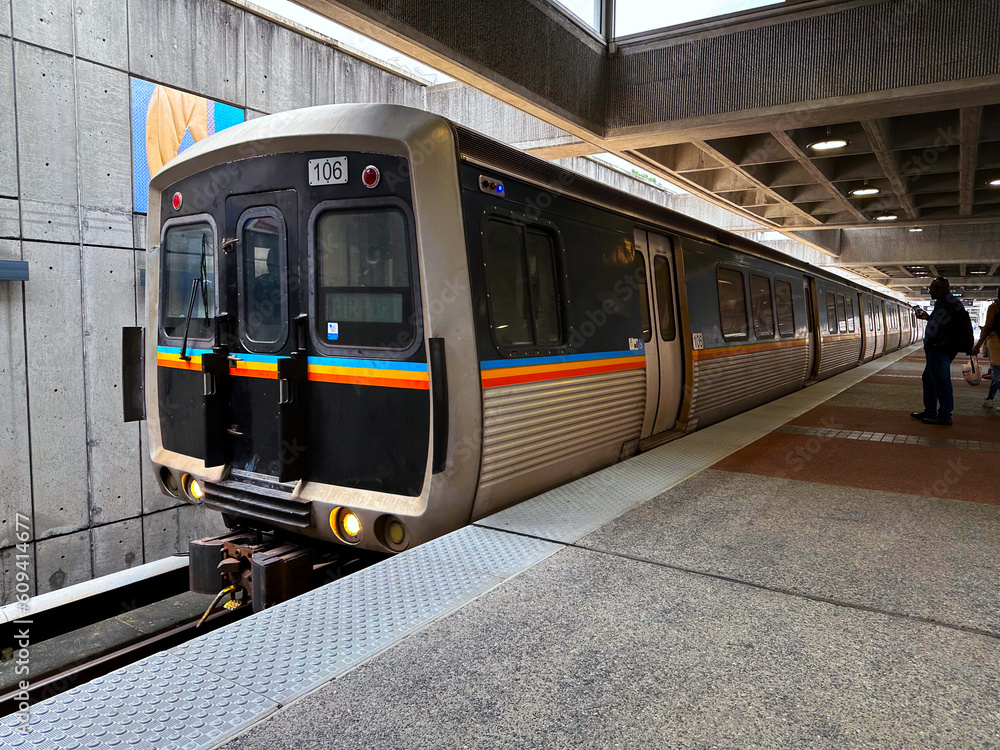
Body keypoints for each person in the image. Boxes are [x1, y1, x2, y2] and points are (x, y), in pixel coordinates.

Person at [911, 277, 974, 426]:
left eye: (931, 288)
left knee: (941, 381)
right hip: (945, 347)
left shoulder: (944, 302)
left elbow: (939, 327)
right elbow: (943, 323)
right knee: (929, 379)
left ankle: (945, 415)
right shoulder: (951, 302)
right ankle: (930, 411)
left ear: (938, 288)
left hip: (940, 348)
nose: (930, 291)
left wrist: (931, 342)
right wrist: (928, 318)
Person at [971, 288, 1000, 411]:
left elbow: (988, 327)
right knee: (996, 373)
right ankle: (989, 399)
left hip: (997, 342)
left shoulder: (994, 307)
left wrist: (978, 345)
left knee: (997, 372)